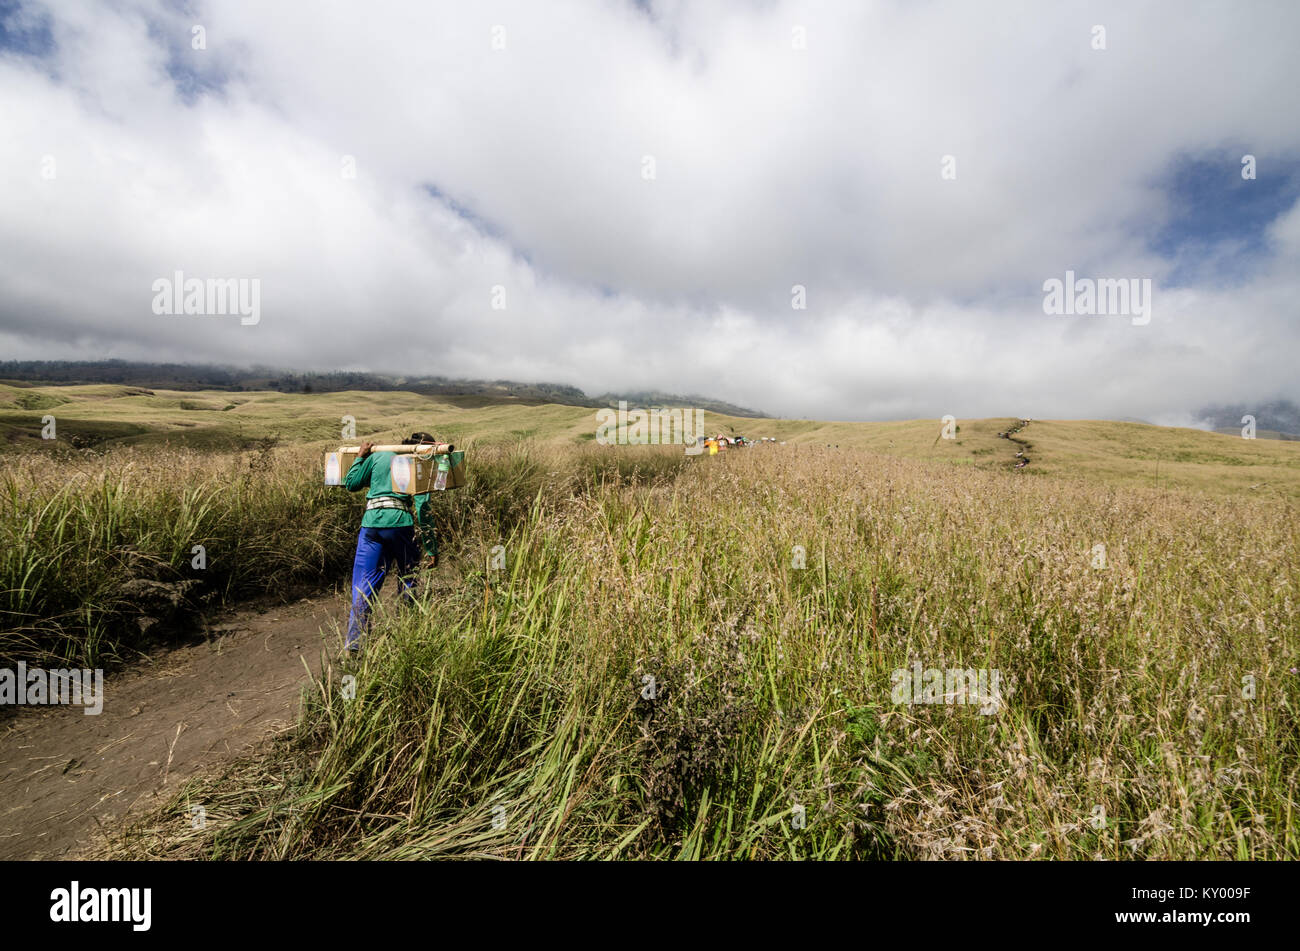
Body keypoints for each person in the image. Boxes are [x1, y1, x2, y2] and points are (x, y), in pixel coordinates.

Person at [341, 431, 439, 653]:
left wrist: (360, 456)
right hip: (399, 523)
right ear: (425, 450)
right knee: (408, 578)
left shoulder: (379, 456)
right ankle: (408, 634)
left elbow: (352, 483)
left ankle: (355, 643)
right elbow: (423, 508)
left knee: (363, 586)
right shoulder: (418, 463)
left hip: (371, 525)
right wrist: (431, 546)